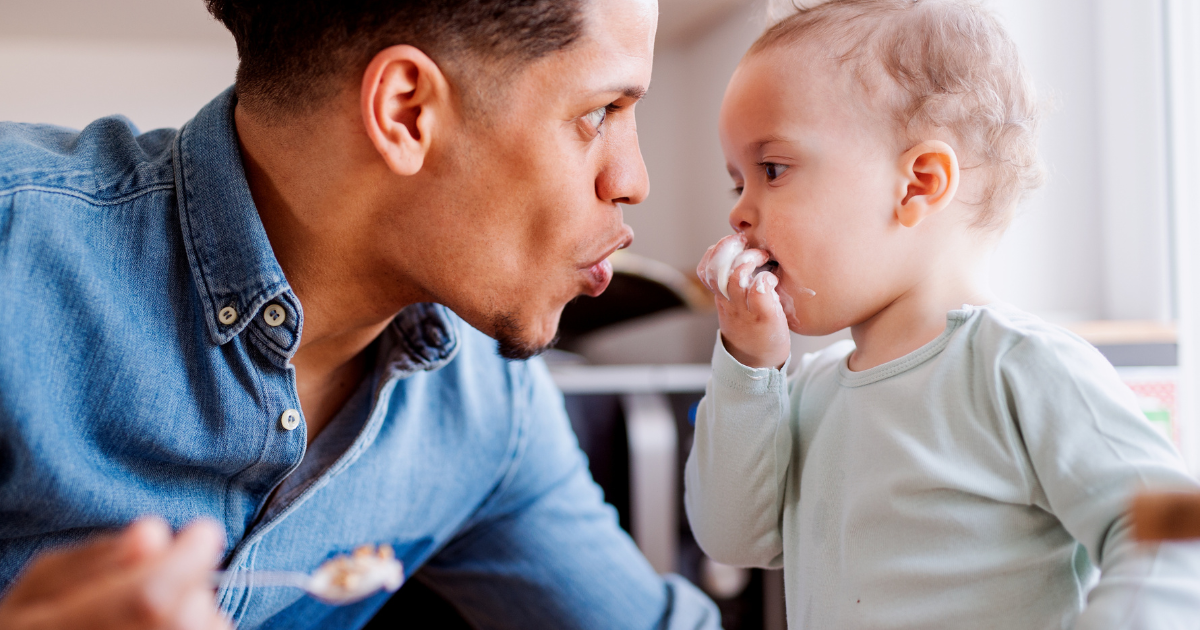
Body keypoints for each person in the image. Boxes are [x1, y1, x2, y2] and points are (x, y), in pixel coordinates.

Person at [0, 0, 721, 628]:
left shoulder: (487, 408)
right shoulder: (14, 255)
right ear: (405, 111)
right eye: (600, 113)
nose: (634, 180)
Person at [684, 0, 1200, 627]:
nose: (740, 212)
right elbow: (732, 538)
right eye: (738, 182)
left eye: (772, 169)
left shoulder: (1018, 369)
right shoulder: (805, 393)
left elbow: (1174, 527)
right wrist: (747, 367)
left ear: (919, 184)